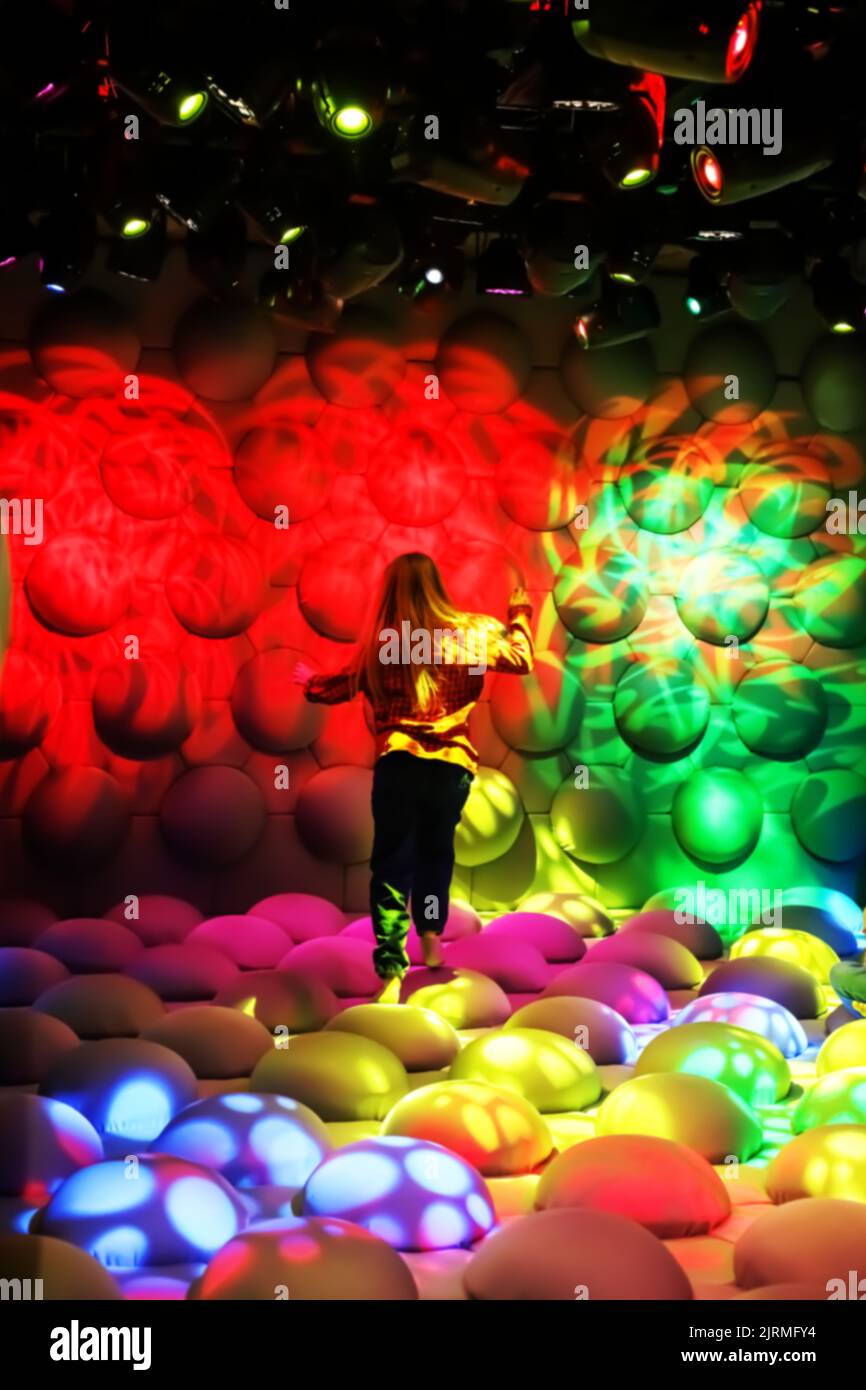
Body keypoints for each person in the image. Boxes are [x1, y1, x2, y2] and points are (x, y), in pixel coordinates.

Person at [293, 552, 534, 1004]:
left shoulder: (385, 642)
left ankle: (390, 970)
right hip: (450, 769)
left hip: (399, 765)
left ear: (390, 591)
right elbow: (521, 659)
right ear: (437, 585)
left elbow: (337, 688)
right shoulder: (474, 632)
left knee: (391, 866)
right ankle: (430, 938)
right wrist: (519, 614)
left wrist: (309, 681)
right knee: (435, 855)